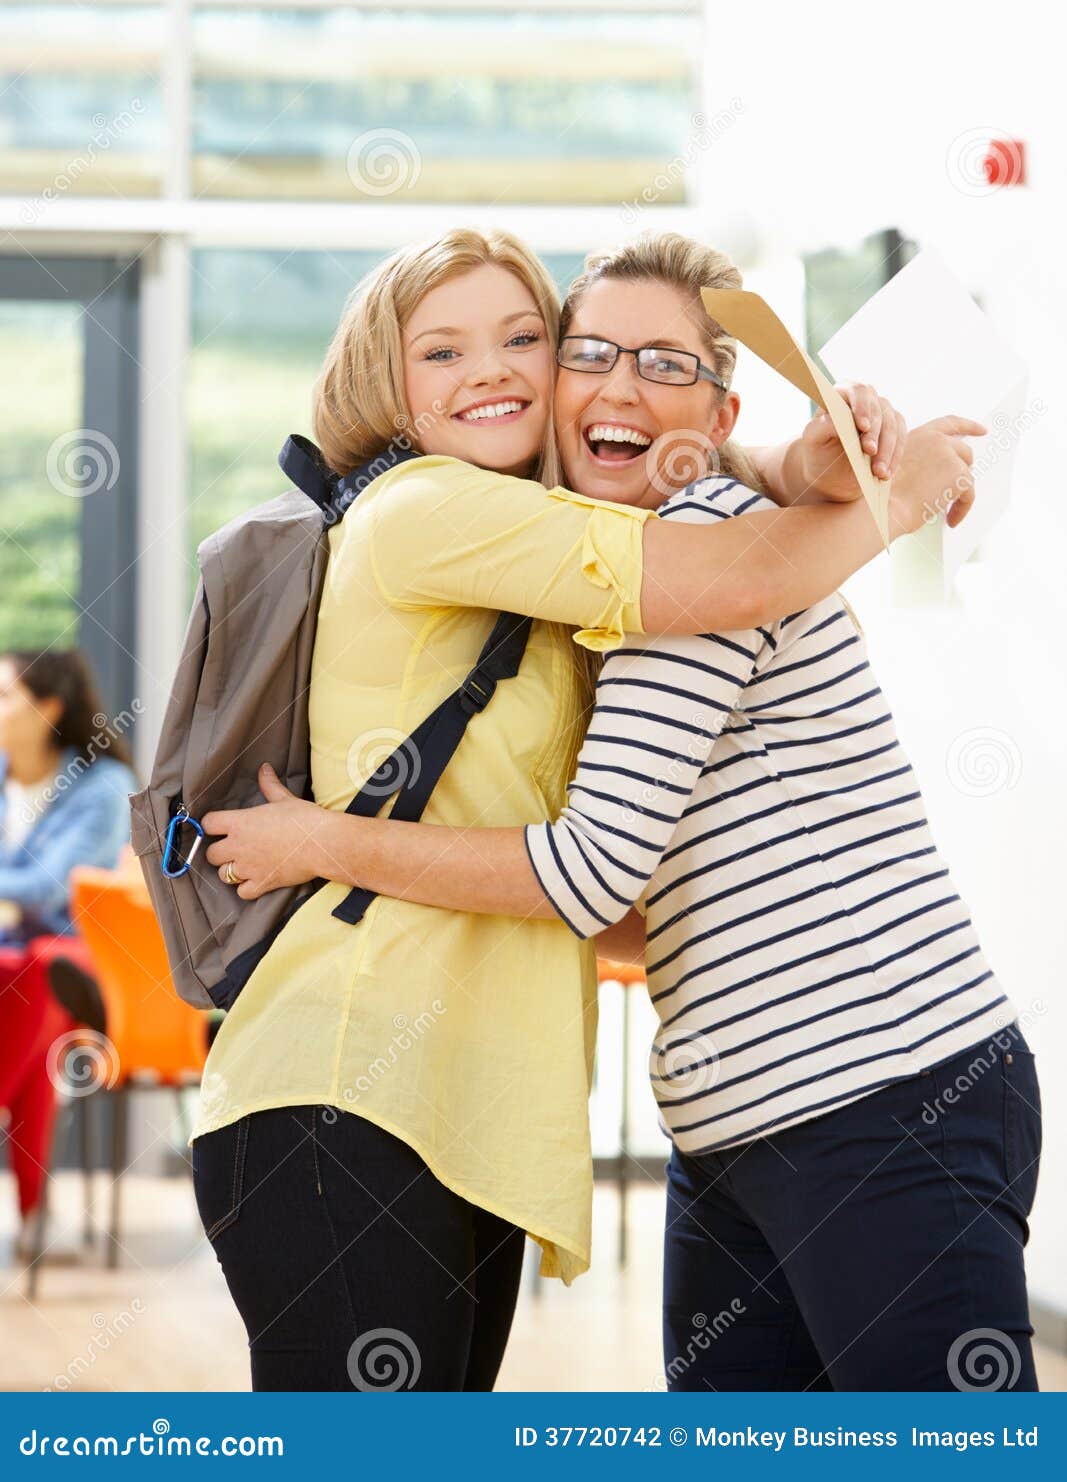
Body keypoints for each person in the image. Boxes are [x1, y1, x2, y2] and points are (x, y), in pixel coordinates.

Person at [239, 234, 1035, 1393]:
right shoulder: (592, 594)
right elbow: (644, 913)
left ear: (717, 409)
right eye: (588, 351)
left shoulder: (701, 551)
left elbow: (588, 877)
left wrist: (321, 842)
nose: (616, 385)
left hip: (881, 1095)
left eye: (664, 364)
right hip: (732, 1130)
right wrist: (810, 465)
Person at [0, 649, 138, 1253]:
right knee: (22, 1004)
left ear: (47, 707)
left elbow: (53, 888)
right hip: (14, 961)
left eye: (4, 694)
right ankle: (34, 1217)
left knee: (35, 972)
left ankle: (34, 1215)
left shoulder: (104, 784)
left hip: (76, 960)